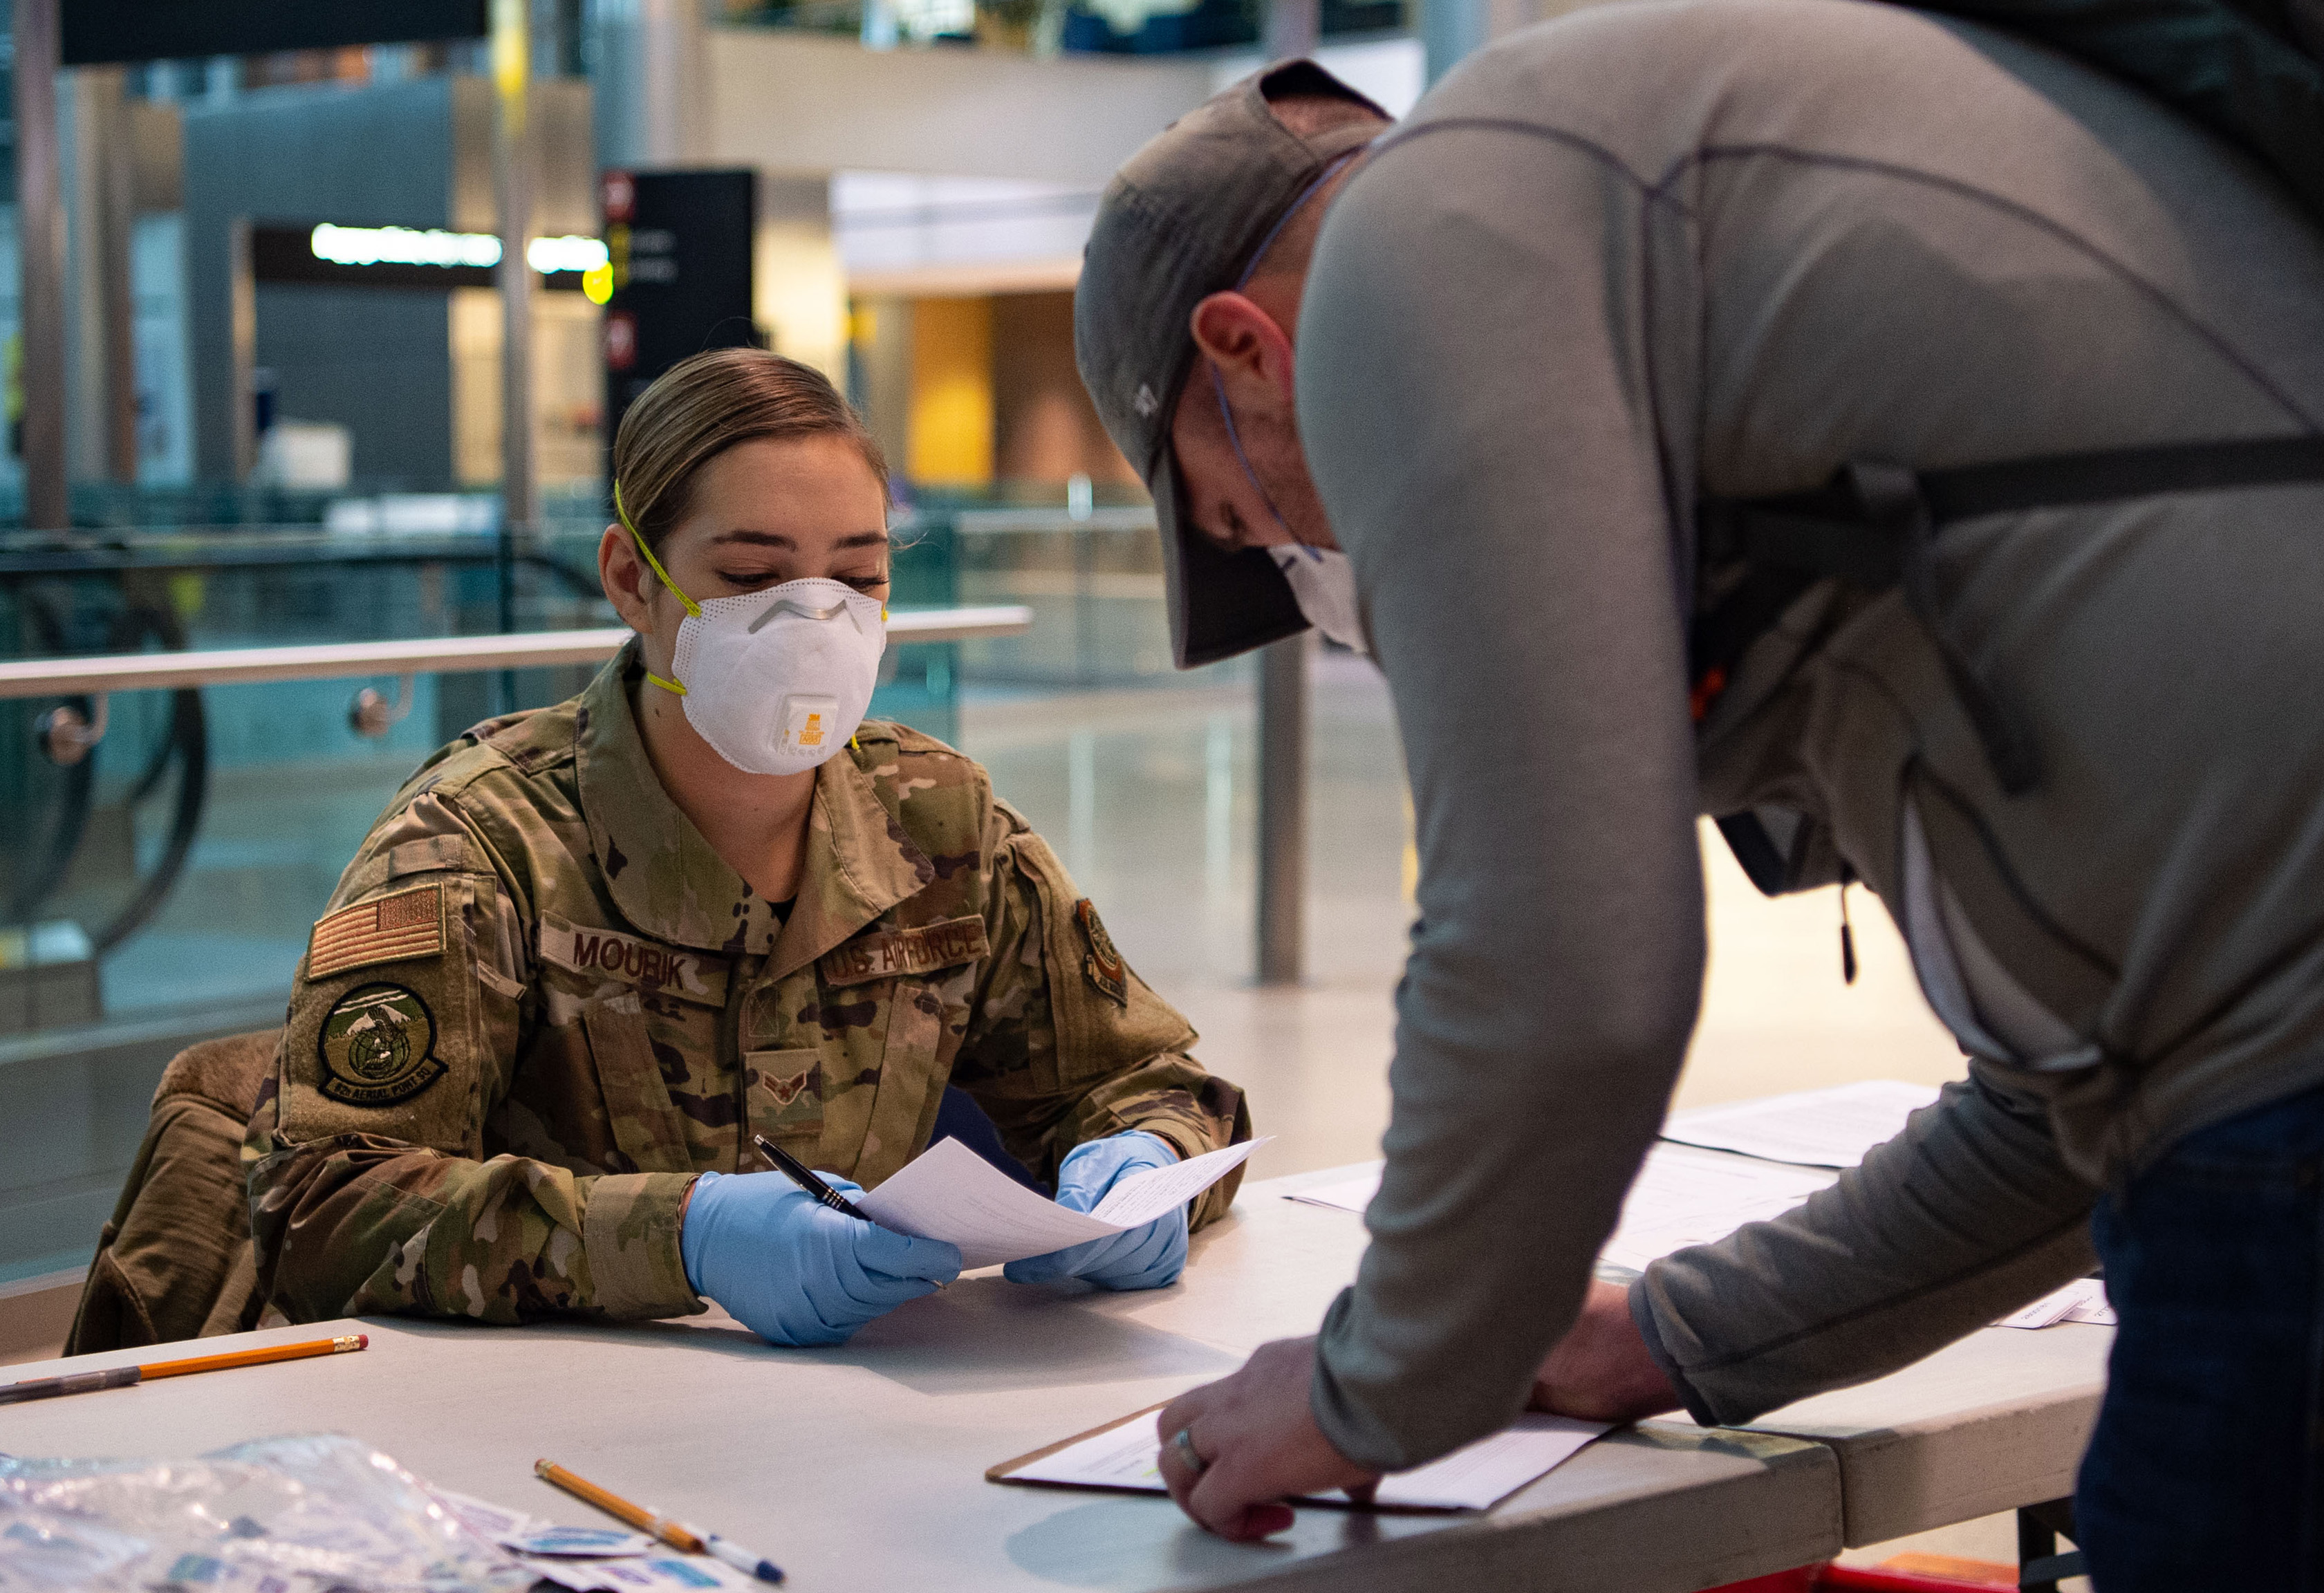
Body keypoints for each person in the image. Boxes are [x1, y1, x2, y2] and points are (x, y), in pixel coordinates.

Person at [1073, 12, 2324, 1582]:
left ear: (1245, 350)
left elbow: (1559, 967)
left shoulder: (1429, 235)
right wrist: (1657, 1337)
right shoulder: (1778, 367)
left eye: (1247, 518)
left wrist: (1369, 1388)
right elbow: (2059, 1115)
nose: (1307, 567)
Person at [239, 348, 1250, 1349]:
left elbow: (1142, 1078)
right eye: (752, 575)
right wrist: (682, 1239)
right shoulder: (483, 842)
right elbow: (321, 1208)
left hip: (847, 1424)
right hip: (544, 1430)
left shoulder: (937, 822)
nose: (815, 622)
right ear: (633, 580)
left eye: (857, 576)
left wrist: (1144, 1164)